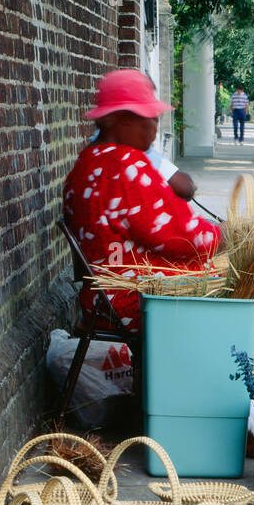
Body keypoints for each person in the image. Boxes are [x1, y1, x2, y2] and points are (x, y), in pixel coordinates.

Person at [63, 68, 221, 333]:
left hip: (100, 299)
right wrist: (224, 236)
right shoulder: (126, 164)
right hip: (133, 302)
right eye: (152, 119)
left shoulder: (85, 164)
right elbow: (181, 239)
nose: (155, 128)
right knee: (233, 292)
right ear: (123, 119)